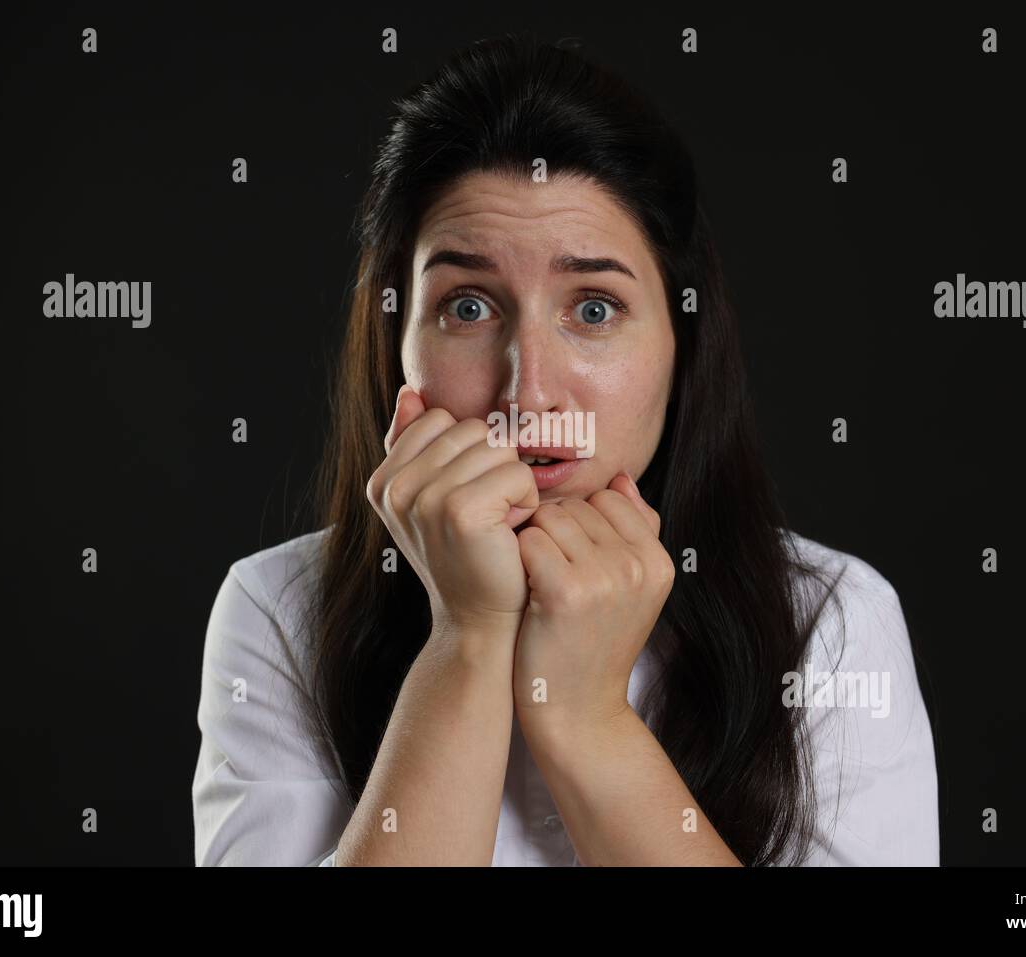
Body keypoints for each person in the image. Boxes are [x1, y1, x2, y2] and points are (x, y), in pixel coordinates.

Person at [192, 32, 938, 866]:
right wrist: (467, 636)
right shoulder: (279, 609)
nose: (530, 392)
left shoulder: (831, 623)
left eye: (593, 310)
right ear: (394, 344)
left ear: (682, 344)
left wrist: (587, 718)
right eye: (468, 307)